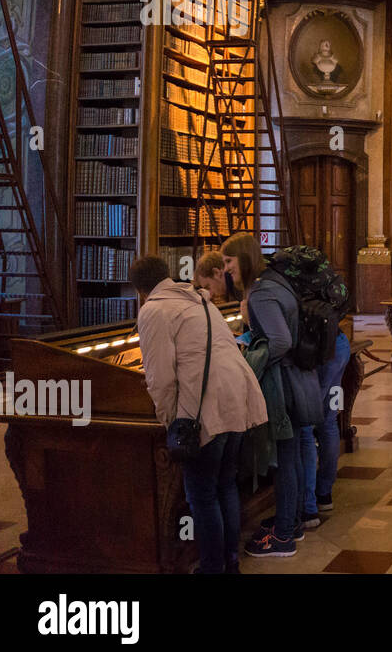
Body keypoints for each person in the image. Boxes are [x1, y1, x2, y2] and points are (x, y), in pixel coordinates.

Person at [131, 255, 267, 574]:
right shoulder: (199, 300)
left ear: (140, 290)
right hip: (236, 397)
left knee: (202, 495)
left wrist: (172, 423)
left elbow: (161, 378)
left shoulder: (153, 310)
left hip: (204, 405)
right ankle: (229, 563)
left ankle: (211, 568)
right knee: (225, 484)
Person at [223, 233, 322, 558]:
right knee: (290, 456)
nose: (226, 269)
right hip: (296, 379)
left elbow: (279, 341)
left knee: (283, 460)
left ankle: (282, 537)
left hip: (282, 385)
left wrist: (250, 362)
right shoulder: (275, 282)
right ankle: (290, 523)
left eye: (229, 262)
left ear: (245, 259)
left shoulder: (262, 293)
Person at [302, 323, 352, 516]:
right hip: (340, 344)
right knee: (329, 423)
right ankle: (324, 494)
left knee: (305, 429)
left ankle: (308, 506)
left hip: (317, 353)